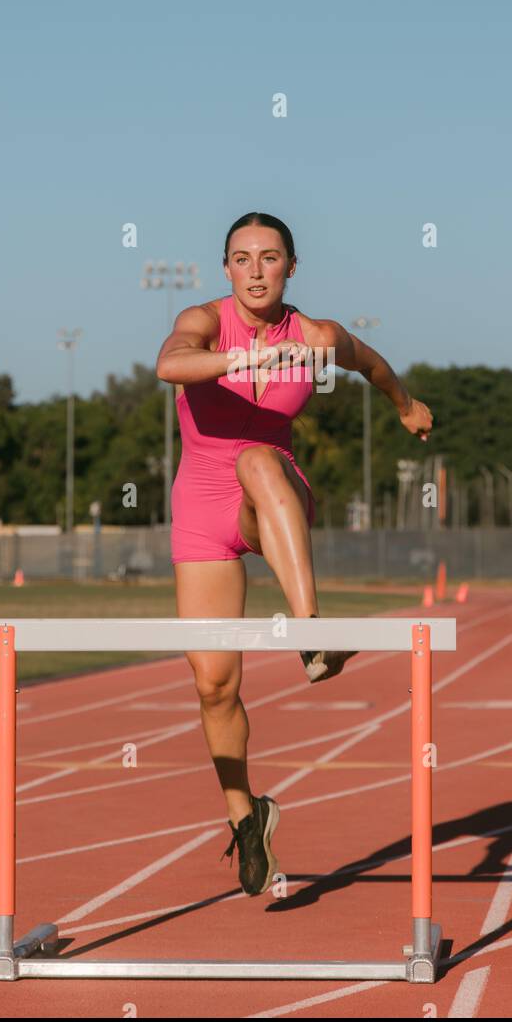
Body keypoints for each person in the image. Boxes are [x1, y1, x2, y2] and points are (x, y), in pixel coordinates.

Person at [154, 211, 433, 896]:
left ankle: (313, 634)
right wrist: (240, 358)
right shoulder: (203, 320)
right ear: (226, 269)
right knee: (213, 683)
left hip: (269, 490)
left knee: (255, 458)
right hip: (200, 502)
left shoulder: (314, 335)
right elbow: (170, 364)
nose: (255, 271)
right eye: (242, 258)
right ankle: (247, 817)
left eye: (269, 258)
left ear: (291, 267)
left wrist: (403, 402)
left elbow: (370, 363)